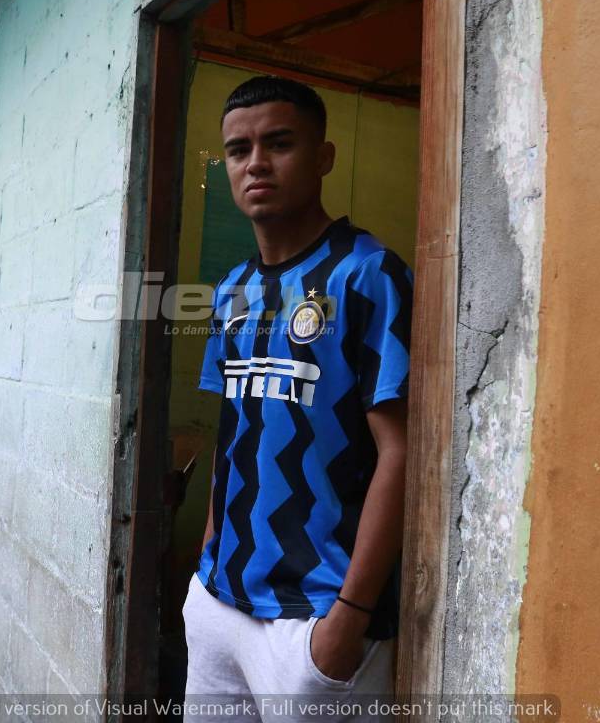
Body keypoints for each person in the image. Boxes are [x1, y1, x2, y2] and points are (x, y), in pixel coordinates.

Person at [183, 76, 412, 720]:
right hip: (218, 603)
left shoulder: (370, 274)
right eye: (238, 149)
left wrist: (351, 618)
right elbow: (232, 432)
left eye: (278, 143)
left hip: (315, 619)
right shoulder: (230, 289)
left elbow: (402, 451)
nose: (255, 162)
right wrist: (206, 565)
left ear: (324, 157)